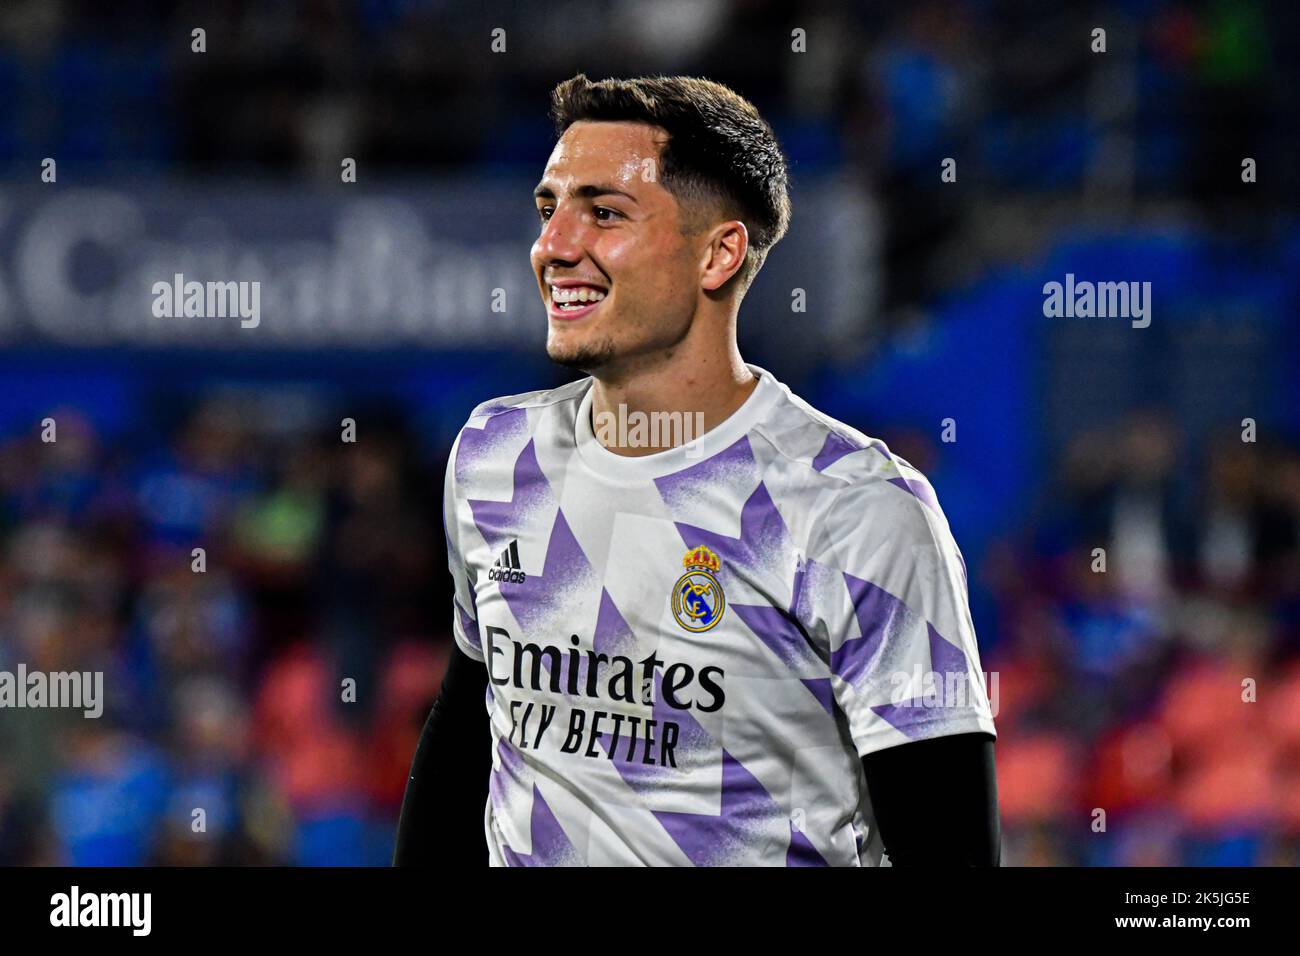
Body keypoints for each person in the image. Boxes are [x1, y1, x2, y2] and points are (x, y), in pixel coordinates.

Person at [395, 74, 999, 867]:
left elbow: (949, 845)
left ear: (719, 254)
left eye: (605, 213)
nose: (554, 247)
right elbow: (470, 719)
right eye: (549, 209)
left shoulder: (855, 509)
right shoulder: (493, 454)